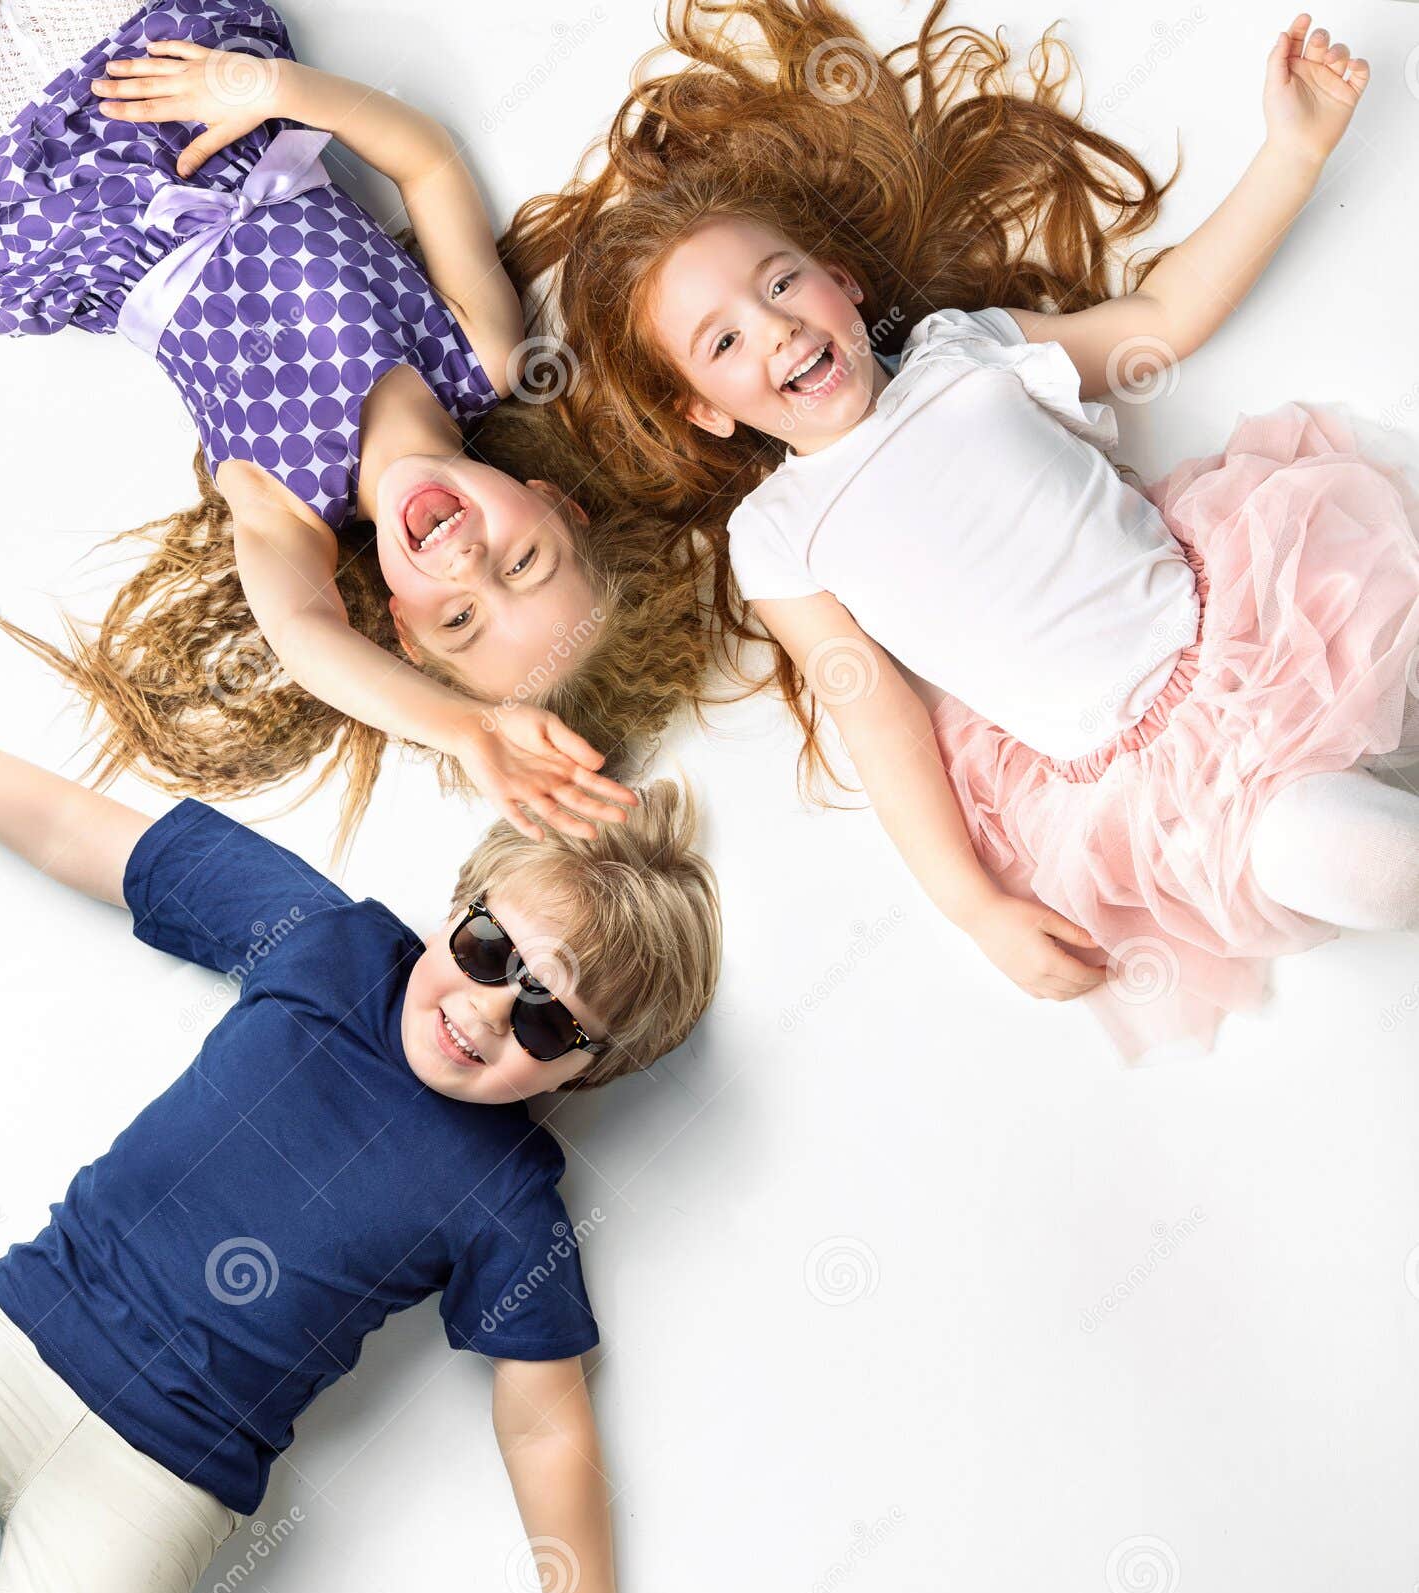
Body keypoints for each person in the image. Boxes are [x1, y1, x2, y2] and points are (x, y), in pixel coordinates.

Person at [502, 0, 1419, 1062]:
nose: (781, 328)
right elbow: (877, 717)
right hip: (1141, 781)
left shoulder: (960, 352)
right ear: (706, 409)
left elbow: (1156, 328)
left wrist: (1292, 153)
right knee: (1379, 866)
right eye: (725, 339)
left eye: (783, 282)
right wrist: (971, 906)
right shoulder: (780, 534)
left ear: (841, 284)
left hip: (1252, 621)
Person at [0, 734, 722, 1593]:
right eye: (486, 951)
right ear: (457, 906)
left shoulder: (509, 1193)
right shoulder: (326, 945)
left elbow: (543, 1419)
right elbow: (77, 831)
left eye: (548, 1025)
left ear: (593, 1072)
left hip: (159, 1479)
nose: (486, 1012)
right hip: (6, 1344)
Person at [0, 0, 693, 853]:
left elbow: (307, 640)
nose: (468, 562)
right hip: (193, 85)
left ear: (404, 634)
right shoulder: (478, 353)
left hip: (65, 205)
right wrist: (268, 86)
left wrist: (463, 729)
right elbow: (424, 163)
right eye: (523, 562)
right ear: (555, 502)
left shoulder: (286, 511)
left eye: (458, 617)